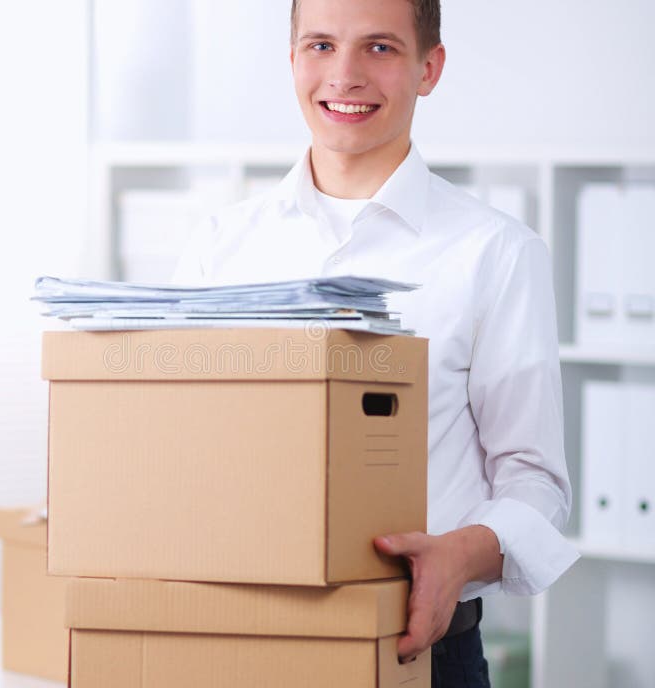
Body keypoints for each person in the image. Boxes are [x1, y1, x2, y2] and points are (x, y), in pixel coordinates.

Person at [173, 0, 579, 685]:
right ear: (293, 59)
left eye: (381, 49)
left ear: (430, 67)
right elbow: (176, 437)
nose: (345, 74)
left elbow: (535, 483)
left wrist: (460, 553)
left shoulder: (495, 253)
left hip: (417, 650)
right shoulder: (223, 246)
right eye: (322, 46)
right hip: (235, 638)